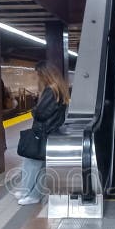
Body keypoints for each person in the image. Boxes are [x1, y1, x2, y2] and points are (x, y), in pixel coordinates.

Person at [14, 61, 69, 205]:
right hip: (49, 132)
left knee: (33, 164)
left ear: (45, 74)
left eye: (38, 74)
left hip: (43, 132)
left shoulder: (51, 90)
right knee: (37, 164)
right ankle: (28, 191)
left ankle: (32, 195)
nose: (37, 77)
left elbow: (41, 113)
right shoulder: (58, 89)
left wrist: (34, 110)